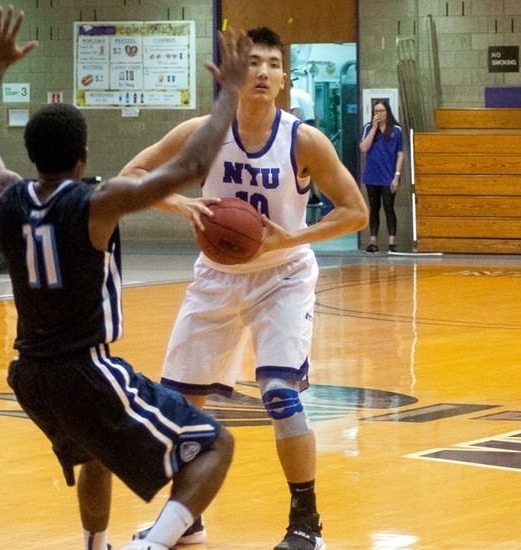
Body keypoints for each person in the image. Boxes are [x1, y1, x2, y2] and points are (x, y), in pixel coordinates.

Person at [0, 7, 252, 550]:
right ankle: (153, 544)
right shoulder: (95, 202)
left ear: (30, 154)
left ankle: (96, 544)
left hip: (29, 375)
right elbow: (188, 169)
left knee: (94, 455)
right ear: (84, 157)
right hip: (84, 368)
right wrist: (229, 92)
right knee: (215, 445)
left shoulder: (4, 194)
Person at [120, 26, 369, 550]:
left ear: (283, 78)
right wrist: (178, 202)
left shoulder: (303, 139)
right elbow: (131, 175)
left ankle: (307, 524)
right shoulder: (203, 132)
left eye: (272, 64)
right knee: (181, 405)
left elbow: (356, 211)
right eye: (252, 62)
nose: (261, 72)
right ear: (236, 74)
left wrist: (294, 237)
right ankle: (189, 517)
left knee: (280, 394)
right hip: (217, 278)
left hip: (283, 276)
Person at [359, 100, 404, 253]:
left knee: (389, 207)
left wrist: (396, 176)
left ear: (387, 111)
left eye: (382, 111)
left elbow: (400, 155)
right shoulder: (368, 128)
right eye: (376, 111)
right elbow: (364, 148)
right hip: (372, 175)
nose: (379, 114)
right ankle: (373, 242)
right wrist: (374, 128)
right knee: (374, 208)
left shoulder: (396, 130)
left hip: (388, 176)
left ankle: (392, 242)